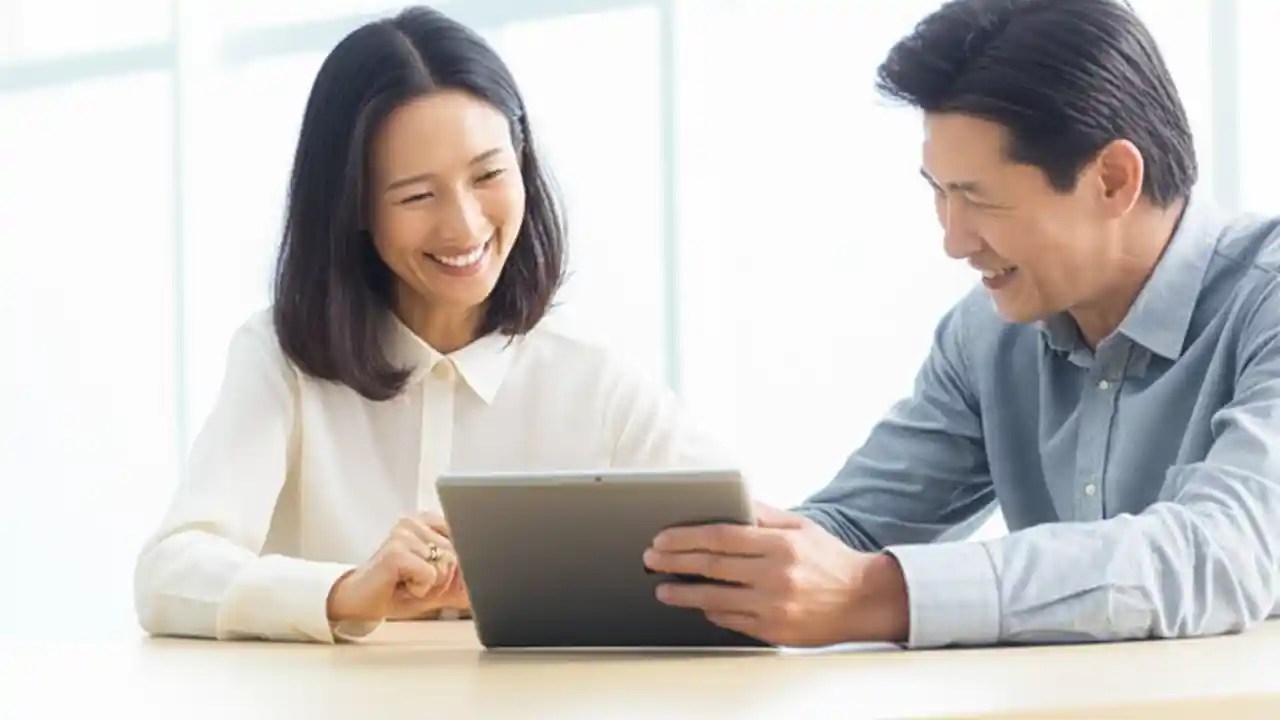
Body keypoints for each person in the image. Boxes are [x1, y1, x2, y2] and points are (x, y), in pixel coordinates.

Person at [645, 0, 1280, 648]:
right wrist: (713, 569)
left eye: (977, 198)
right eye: (938, 193)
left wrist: (880, 594)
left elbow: (1223, 554)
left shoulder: (1268, 300)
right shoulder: (989, 334)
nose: (953, 240)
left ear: (1113, 180)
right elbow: (854, 530)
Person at [134, 6, 729, 643]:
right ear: (354, 207)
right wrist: (342, 593)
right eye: (418, 196)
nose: (465, 226)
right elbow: (169, 575)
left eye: (489, 175)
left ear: (522, 161)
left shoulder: (594, 382)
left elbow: (734, 561)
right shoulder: (283, 360)